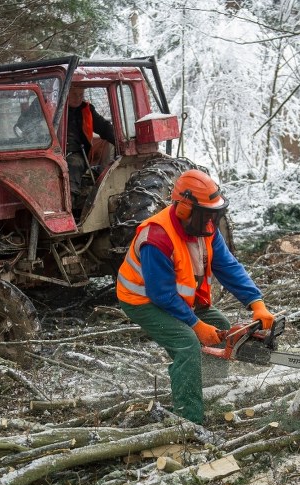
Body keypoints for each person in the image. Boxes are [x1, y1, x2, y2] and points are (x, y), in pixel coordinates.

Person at [116, 170, 274, 424]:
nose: (211, 221)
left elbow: (228, 267)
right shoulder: (156, 237)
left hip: (177, 298)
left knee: (222, 328)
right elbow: (161, 295)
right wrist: (196, 325)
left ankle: (212, 388)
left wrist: (257, 304)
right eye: (206, 214)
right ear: (184, 208)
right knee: (187, 344)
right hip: (143, 301)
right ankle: (188, 419)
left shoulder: (206, 229)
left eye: (214, 214)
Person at [66, 87, 116, 212]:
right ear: (65, 94)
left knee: (74, 163)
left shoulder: (86, 110)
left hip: (76, 152)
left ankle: (69, 204)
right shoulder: (53, 108)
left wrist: (119, 139)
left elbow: (103, 127)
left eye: (80, 94)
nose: (78, 97)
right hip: (53, 151)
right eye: (74, 94)